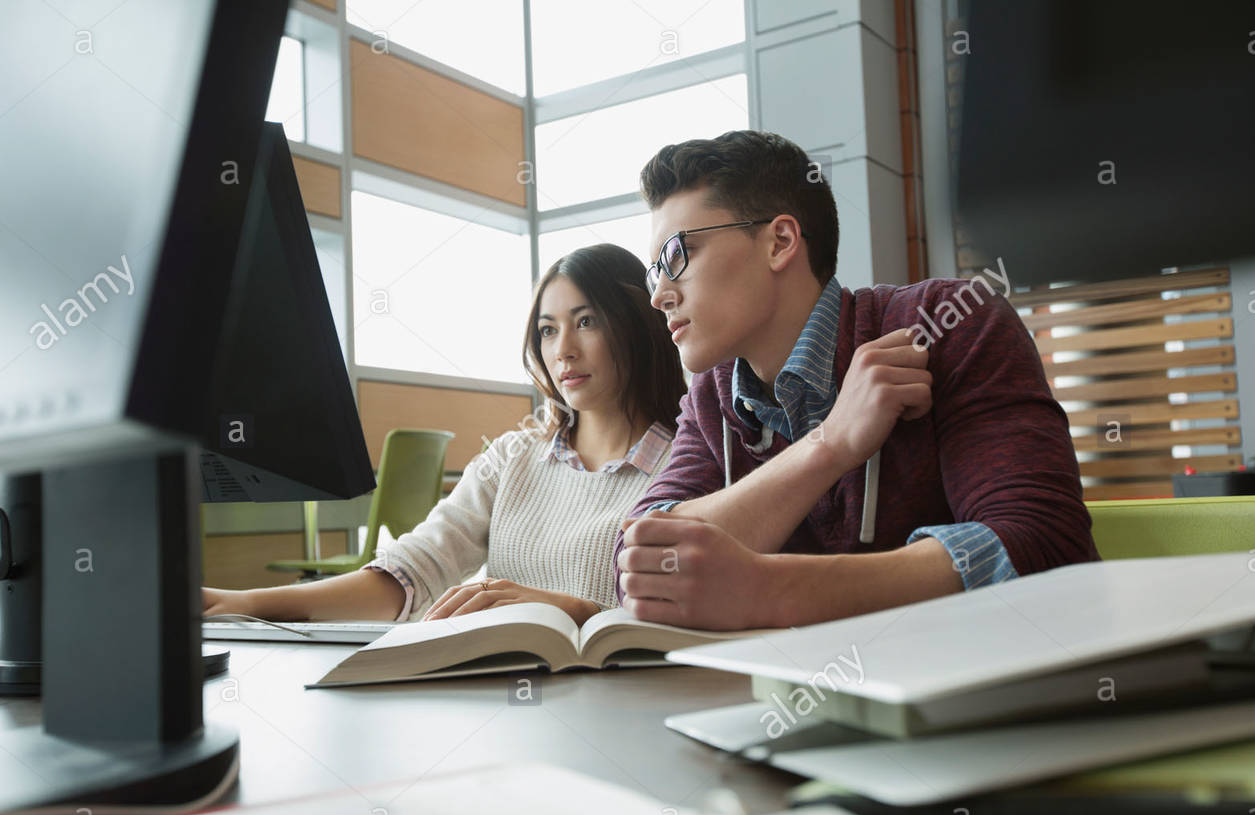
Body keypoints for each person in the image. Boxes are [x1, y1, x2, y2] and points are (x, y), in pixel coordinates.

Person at [614, 130, 1100, 631]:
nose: (659, 296)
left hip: (990, 692)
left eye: (676, 256)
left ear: (780, 242)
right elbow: (637, 567)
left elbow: (1042, 546)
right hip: (791, 699)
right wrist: (828, 446)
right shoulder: (712, 396)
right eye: (655, 273)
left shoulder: (950, 322)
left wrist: (773, 590)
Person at [203, 244, 686, 626]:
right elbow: (408, 572)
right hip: (503, 700)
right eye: (546, 330)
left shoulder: (689, 461)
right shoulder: (512, 458)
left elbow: (690, 614)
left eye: (586, 321)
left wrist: (576, 610)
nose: (563, 350)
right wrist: (243, 602)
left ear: (636, 326)